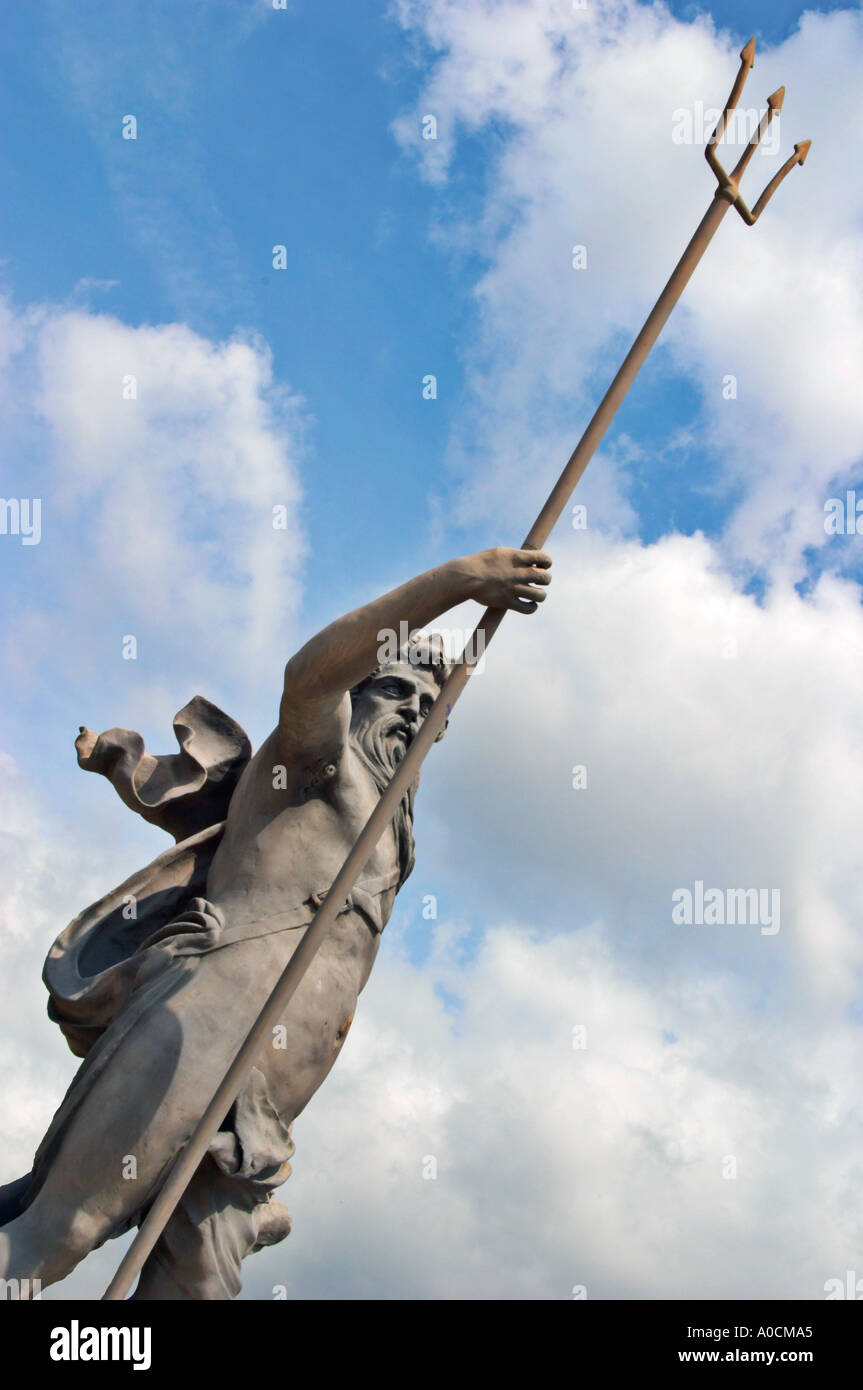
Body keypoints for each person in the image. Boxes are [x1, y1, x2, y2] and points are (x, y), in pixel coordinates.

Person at [0, 545, 551, 1298]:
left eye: (434, 708)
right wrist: (461, 583)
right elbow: (308, 674)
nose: (418, 715)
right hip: (207, 1025)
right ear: (364, 687)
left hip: (266, 1100)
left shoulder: (393, 828)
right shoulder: (313, 758)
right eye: (402, 691)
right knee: (54, 1239)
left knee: (193, 1291)